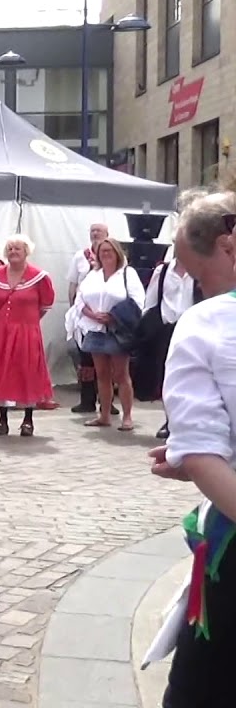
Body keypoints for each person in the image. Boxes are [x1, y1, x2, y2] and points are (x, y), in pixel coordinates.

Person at [150, 198, 236, 708]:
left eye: (199, 277)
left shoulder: (207, 324)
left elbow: (203, 454)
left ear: (228, 247)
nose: (197, 289)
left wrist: (203, 466)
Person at [0, 236, 54, 437]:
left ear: (26, 251)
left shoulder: (39, 277)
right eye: (10, 248)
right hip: (2, 332)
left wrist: (27, 321)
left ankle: (28, 420)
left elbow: (46, 304)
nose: (13, 252)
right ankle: (2, 419)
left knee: (27, 371)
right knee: (1, 371)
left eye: (17, 248)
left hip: (27, 332)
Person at [71, 238, 144, 432]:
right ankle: (104, 415)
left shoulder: (128, 274)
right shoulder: (92, 276)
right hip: (95, 329)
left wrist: (112, 317)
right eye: (102, 251)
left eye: (109, 251)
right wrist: (92, 314)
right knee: (101, 375)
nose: (105, 254)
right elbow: (79, 299)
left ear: (117, 253)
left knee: (121, 374)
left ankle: (127, 416)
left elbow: (138, 301)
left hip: (118, 330)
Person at [139, 257, 200, 440]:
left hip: (193, 328)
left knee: (194, 375)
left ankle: (193, 420)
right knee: (168, 376)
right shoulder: (162, 271)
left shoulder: (200, 268)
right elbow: (150, 302)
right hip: (166, 329)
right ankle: (170, 421)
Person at [67, 223, 110, 414]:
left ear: (107, 234)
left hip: (105, 316)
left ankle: (107, 402)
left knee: (107, 359)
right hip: (83, 314)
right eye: (92, 231)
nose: (94, 234)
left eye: (98, 231)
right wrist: (73, 310)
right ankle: (87, 400)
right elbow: (73, 285)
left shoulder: (114, 257)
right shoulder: (80, 256)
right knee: (86, 359)